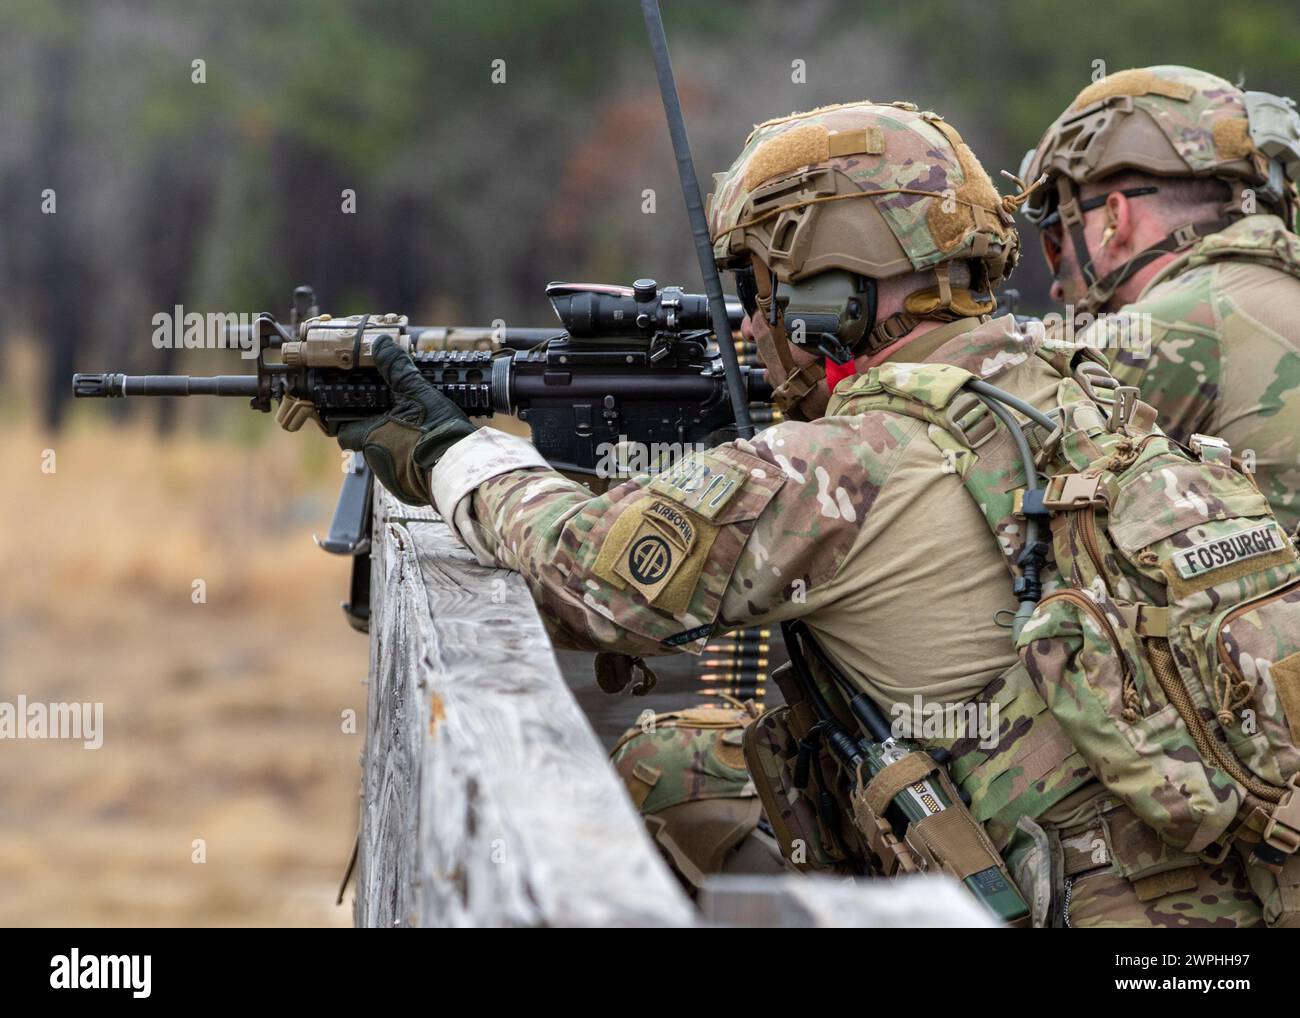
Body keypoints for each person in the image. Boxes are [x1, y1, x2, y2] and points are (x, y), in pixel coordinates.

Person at [330, 100, 1284, 926]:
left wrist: (453, 452)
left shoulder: (852, 461)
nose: (751, 322)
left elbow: (591, 575)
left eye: (758, 286)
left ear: (829, 289)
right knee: (687, 762)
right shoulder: (1078, 395)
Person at [1020, 65, 1300, 532]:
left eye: (1057, 243)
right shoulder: (1268, 289)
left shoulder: (1168, 323)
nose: (1056, 286)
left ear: (1115, 217)